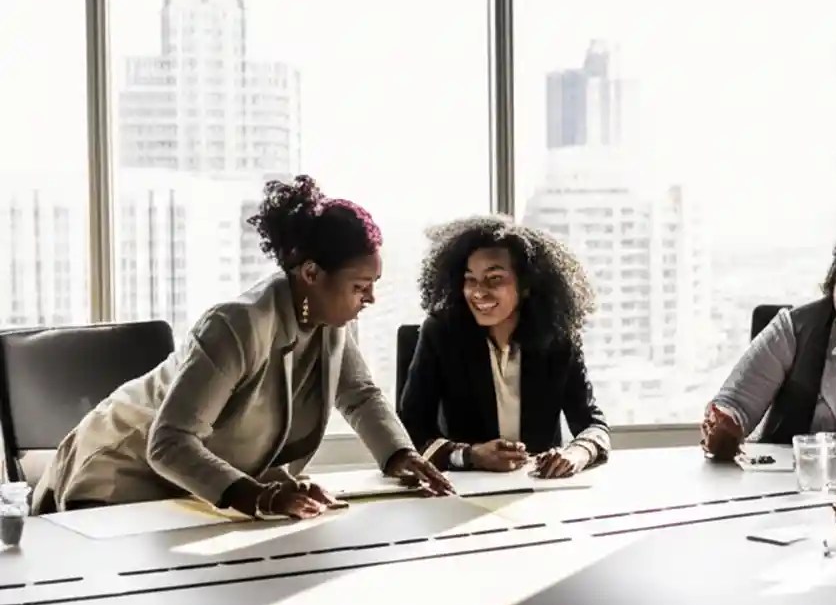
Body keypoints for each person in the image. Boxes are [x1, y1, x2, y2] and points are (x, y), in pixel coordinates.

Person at [33, 176, 452, 518]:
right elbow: (170, 442)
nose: (370, 299)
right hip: (122, 471)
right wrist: (259, 497)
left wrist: (400, 457)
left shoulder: (328, 322)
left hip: (189, 487)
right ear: (310, 273)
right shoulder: (236, 325)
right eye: (360, 287)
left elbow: (360, 396)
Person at [399, 216, 609, 479]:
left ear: (526, 286)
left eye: (494, 279)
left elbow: (592, 423)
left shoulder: (557, 339)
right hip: (462, 488)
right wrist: (469, 455)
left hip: (539, 490)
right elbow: (411, 428)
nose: (478, 292)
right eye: (470, 279)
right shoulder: (441, 333)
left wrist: (576, 454)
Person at [701, 226, 836, 461]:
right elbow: (736, 404)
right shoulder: (793, 328)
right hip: (789, 483)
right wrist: (724, 425)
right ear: (833, 285)